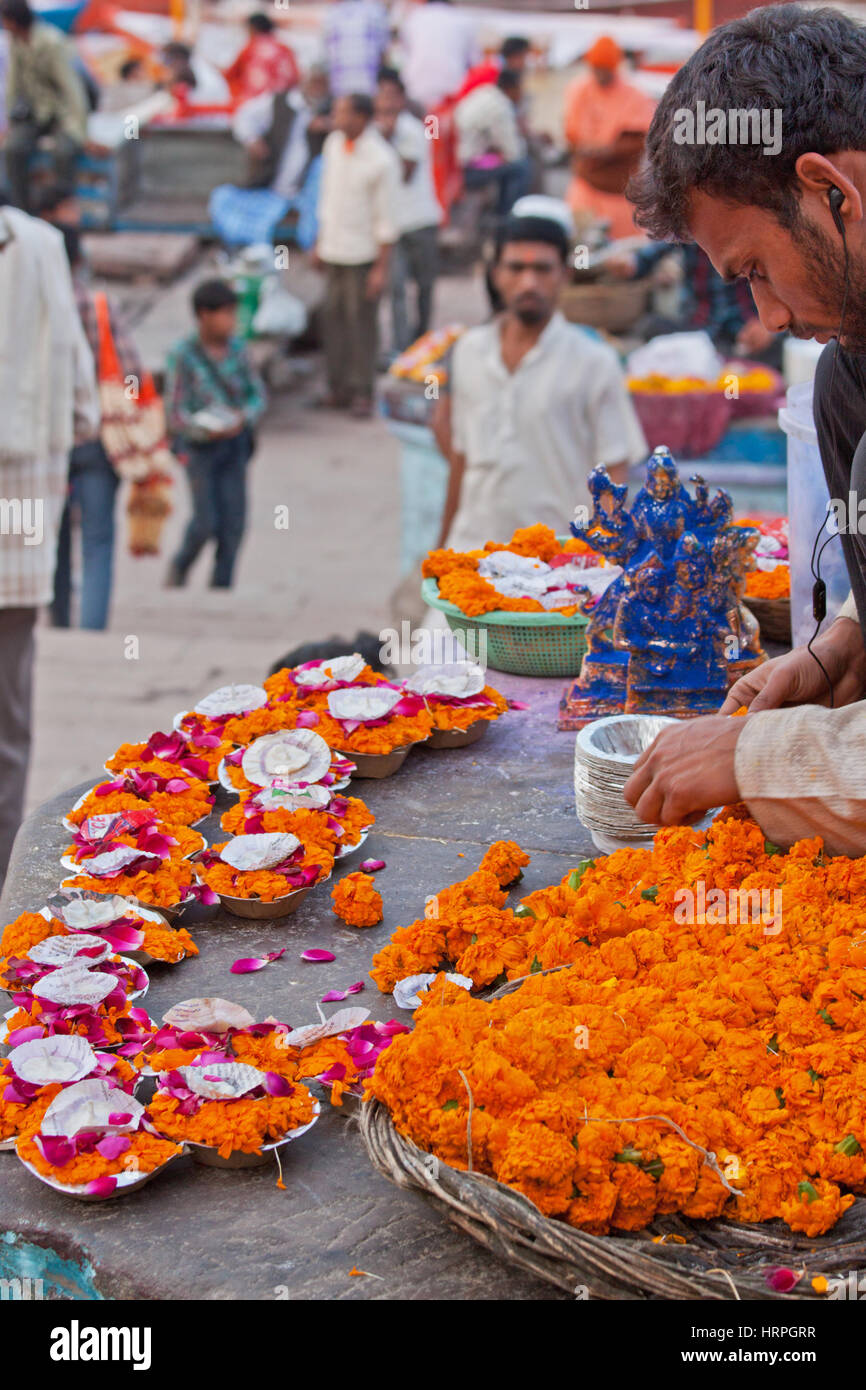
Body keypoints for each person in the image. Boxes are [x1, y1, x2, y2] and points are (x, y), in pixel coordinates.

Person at [621, 3, 866, 855]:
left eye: (757, 270)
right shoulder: (850, 383)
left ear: (833, 192)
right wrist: (841, 650)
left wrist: (762, 757)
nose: (765, 317)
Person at [433, 206, 646, 552]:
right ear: (496, 274)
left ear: (564, 275)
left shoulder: (595, 362)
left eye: (542, 269)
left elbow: (613, 481)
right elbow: (461, 461)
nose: (529, 282)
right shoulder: (468, 352)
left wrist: (604, 567)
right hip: (471, 554)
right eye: (516, 268)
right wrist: (441, 551)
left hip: (555, 570)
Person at [0, 202, 98, 890]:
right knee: (7, 722)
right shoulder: (39, 246)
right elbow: (77, 380)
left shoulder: (37, 244)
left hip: (19, 524)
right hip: (21, 522)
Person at [48, 226, 144, 630]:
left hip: (45, 439)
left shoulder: (26, 307)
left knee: (51, 536)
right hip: (98, 438)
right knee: (98, 539)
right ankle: (91, 626)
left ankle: (57, 620)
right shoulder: (98, 305)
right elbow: (131, 373)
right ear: (79, 260)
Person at [164, 279, 266, 590]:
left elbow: (257, 395)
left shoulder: (239, 350)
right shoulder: (183, 354)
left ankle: (221, 586)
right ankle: (180, 565)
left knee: (234, 523)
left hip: (234, 444)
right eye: (225, 314)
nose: (231, 321)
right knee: (205, 521)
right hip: (200, 448)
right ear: (204, 316)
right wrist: (201, 427)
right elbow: (176, 410)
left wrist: (242, 418)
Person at [313, 91, 399, 417]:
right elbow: (327, 197)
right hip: (333, 248)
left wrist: (381, 268)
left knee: (361, 325)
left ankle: (363, 391)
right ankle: (337, 387)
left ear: (361, 118)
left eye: (343, 113)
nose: (337, 119)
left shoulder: (381, 159)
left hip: (363, 255)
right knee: (332, 320)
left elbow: (387, 219)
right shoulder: (334, 145)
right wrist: (320, 242)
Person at [210, 66, 331, 250]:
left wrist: (328, 125)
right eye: (314, 83)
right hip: (270, 188)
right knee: (223, 198)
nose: (317, 89)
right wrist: (253, 140)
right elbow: (243, 117)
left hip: (303, 195)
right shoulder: (279, 103)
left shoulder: (329, 110)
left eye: (321, 84)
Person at [0, 0, 88, 211]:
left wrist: (78, 129)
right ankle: (22, 210)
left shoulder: (51, 41)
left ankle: (58, 208)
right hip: (35, 113)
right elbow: (14, 85)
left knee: (64, 151)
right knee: (13, 150)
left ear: (14, 20)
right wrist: (10, 123)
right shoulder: (16, 42)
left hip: (61, 112)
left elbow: (71, 89)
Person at [563, 34, 654, 239]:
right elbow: (570, 135)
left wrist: (606, 152)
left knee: (620, 256)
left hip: (618, 196)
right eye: (596, 67)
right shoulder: (579, 90)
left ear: (614, 66)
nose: (600, 73)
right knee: (580, 249)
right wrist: (585, 150)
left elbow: (638, 140)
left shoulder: (634, 96)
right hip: (585, 189)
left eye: (604, 68)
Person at [375, 71, 440, 352]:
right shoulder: (371, 133)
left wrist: (387, 141)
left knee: (424, 287)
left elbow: (405, 173)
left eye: (392, 96)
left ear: (401, 100)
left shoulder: (413, 130)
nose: (386, 102)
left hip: (421, 220)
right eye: (382, 95)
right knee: (397, 290)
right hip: (394, 225)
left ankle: (422, 340)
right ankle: (401, 349)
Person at [454, 69, 530, 219]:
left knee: (509, 165)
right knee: (521, 167)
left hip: (461, 160)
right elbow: (513, 151)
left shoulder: (484, 93)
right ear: (511, 88)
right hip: (466, 169)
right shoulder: (500, 106)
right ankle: (508, 218)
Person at [399, 0, 478, 113]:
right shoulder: (464, 21)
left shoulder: (414, 18)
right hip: (450, 95)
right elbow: (474, 64)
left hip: (416, 93)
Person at [223, 13, 299, 104]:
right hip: (283, 105)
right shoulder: (285, 49)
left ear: (252, 28)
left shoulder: (250, 48)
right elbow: (296, 77)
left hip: (254, 104)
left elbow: (230, 75)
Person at [322, 0, 389, 99]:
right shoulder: (375, 11)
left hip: (346, 90)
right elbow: (384, 53)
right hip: (364, 88)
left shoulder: (332, 14)